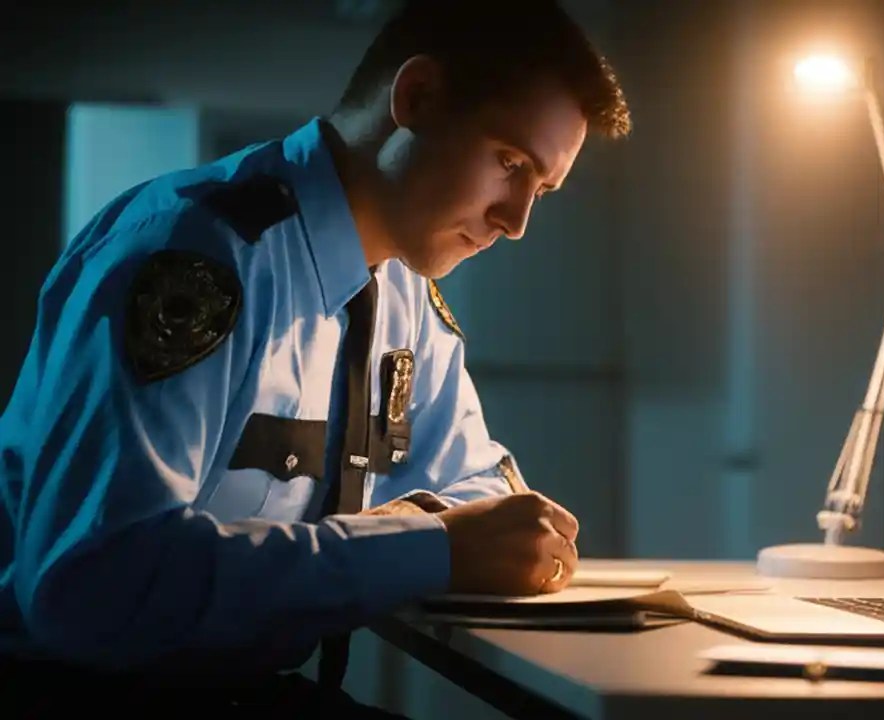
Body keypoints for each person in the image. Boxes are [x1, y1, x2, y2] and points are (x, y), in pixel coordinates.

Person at [0, 0, 630, 713]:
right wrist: (429, 546)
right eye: (509, 163)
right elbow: (94, 590)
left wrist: (436, 531)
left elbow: (482, 492)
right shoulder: (197, 257)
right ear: (416, 98)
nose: (515, 221)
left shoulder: (405, 297)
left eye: (539, 189)